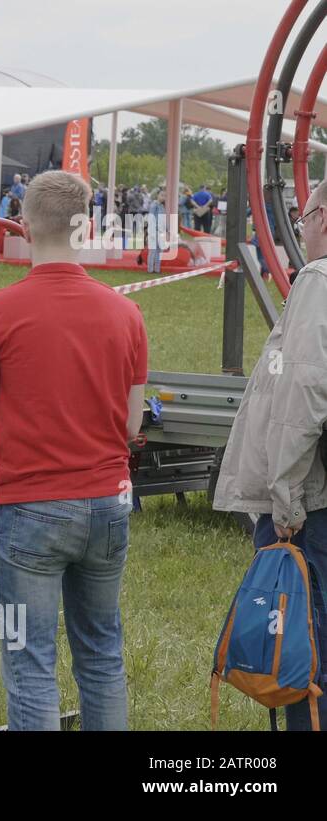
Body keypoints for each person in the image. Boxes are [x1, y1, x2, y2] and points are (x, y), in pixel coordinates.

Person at [0, 170, 148, 731]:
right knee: (101, 655)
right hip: (109, 505)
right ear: (86, 224)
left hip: (31, 510)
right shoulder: (126, 314)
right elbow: (132, 423)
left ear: (22, 224)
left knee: (31, 665)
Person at [212, 180, 327, 731]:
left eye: (302, 218)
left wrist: (284, 501)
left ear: (322, 217)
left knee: (303, 651)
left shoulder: (318, 279)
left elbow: (300, 400)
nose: (299, 229)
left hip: (313, 507)